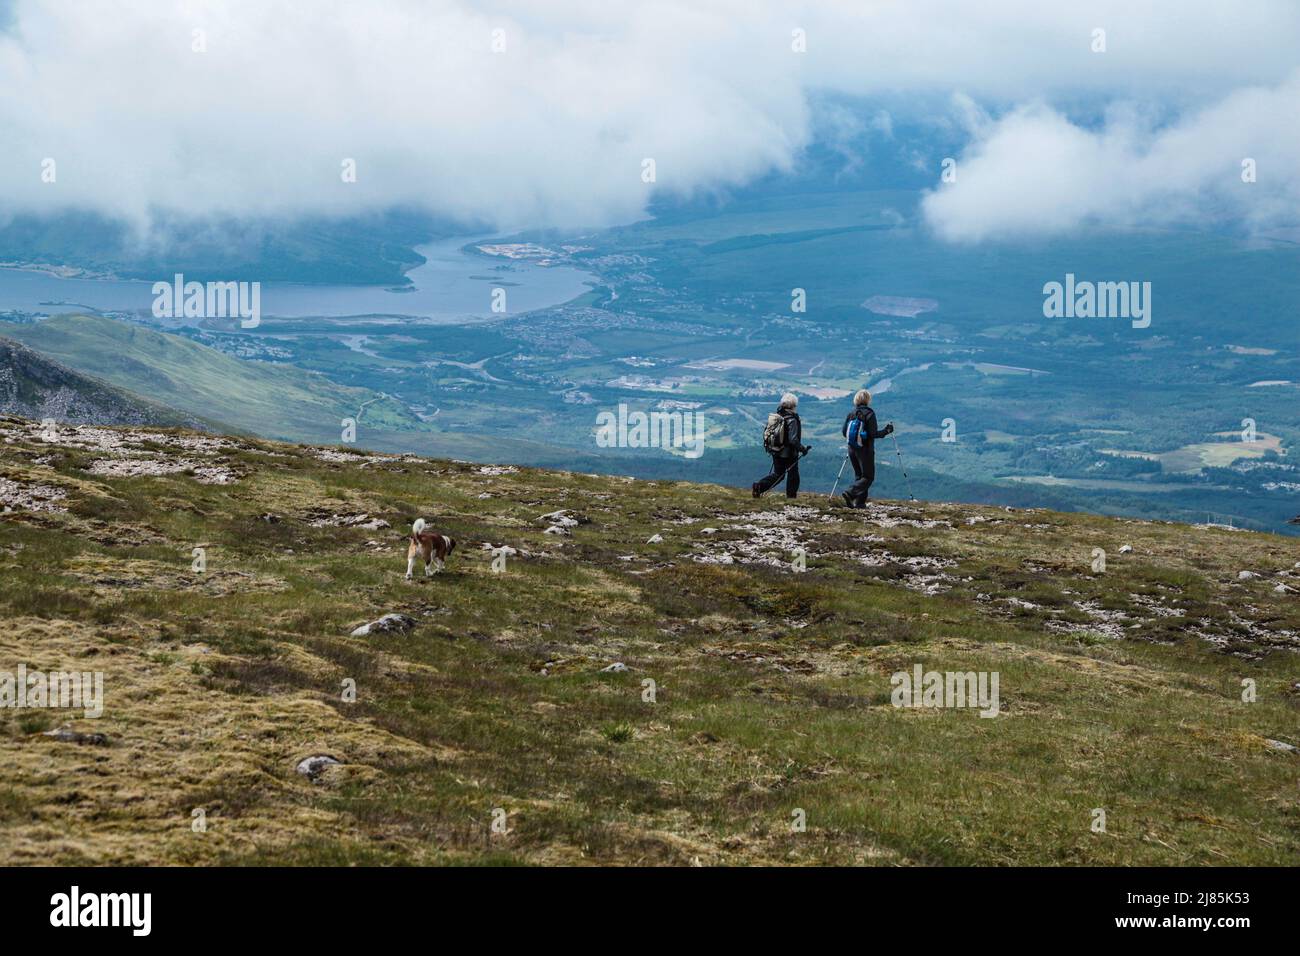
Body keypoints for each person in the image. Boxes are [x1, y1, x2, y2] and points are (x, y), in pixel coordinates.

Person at [840, 389, 892, 508]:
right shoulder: (869, 414)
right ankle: (850, 493)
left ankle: (860, 503)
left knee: (859, 476)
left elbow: (844, 432)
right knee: (868, 477)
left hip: (852, 449)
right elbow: (873, 434)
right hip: (865, 449)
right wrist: (886, 431)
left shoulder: (851, 414)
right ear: (868, 400)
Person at [752, 392, 809, 498]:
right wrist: (803, 449)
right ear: (793, 405)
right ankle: (791, 497)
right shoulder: (792, 419)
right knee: (793, 474)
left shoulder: (778, 416)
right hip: (789, 453)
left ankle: (759, 486)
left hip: (775, 449)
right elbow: (793, 440)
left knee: (778, 474)